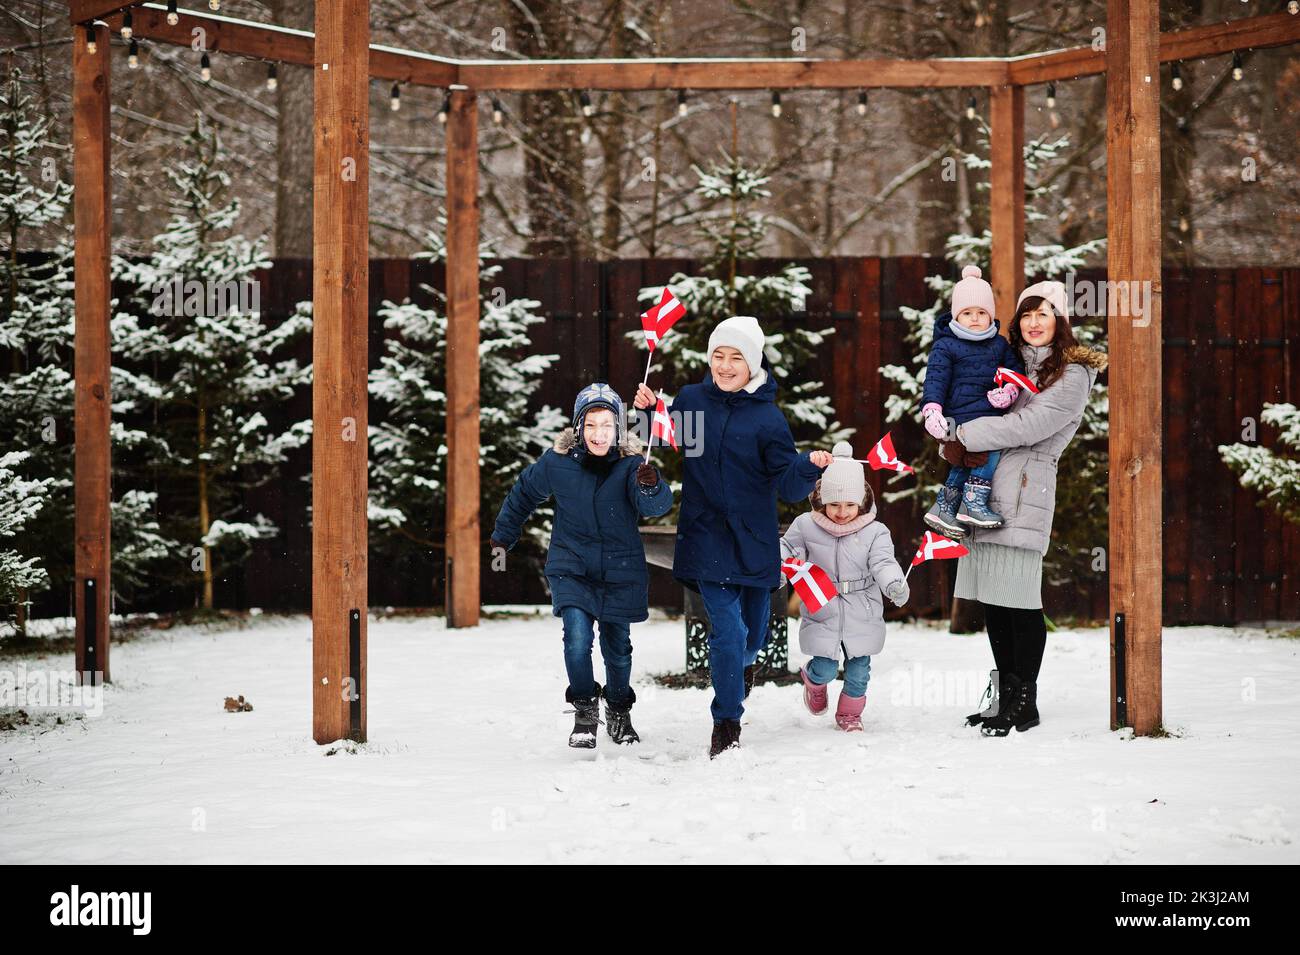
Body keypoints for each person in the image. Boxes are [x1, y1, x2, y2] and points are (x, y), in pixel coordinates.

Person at [633, 315, 832, 758]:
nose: (724, 366)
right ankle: (726, 721)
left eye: (735, 357)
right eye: (717, 356)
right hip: (706, 535)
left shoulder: (767, 419)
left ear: (752, 364)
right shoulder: (693, 401)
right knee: (727, 629)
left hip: (754, 540)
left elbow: (787, 485)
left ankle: (742, 666)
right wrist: (648, 413)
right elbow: (673, 442)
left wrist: (807, 466)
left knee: (754, 634)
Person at [941, 281, 1108, 736]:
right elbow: (966, 399)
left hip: (1026, 488)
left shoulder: (1071, 373)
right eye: (1027, 314)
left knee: (1021, 601)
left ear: (1061, 321)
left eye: (1045, 314)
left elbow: (1032, 424)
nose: (1034, 323)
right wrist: (950, 428)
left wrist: (966, 437)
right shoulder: (1005, 361)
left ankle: (1025, 701)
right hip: (985, 486)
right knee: (995, 600)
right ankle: (1002, 697)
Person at [491, 382, 673, 748]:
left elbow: (656, 507)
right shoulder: (557, 464)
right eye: (590, 425)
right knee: (576, 639)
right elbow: (523, 493)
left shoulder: (632, 464)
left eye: (607, 425)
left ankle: (619, 711)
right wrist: (501, 538)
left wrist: (651, 485)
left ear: (618, 428)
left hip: (621, 570)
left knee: (617, 648)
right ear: (578, 428)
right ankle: (585, 708)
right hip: (572, 565)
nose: (598, 433)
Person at [780, 442, 909, 731]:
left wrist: (893, 583)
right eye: (834, 504)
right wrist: (779, 566)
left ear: (861, 502)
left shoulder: (875, 531)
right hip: (822, 603)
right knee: (825, 666)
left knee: (859, 671)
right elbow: (787, 548)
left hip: (861, 606)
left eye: (849, 505)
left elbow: (883, 562)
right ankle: (814, 681)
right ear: (821, 500)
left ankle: (850, 715)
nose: (841, 512)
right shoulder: (806, 525)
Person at [920, 265, 1026, 538]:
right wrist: (932, 411)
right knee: (980, 456)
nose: (975, 319)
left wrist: (1009, 392)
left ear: (990, 314)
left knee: (969, 461)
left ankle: (945, 507)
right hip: (956, 417)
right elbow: (936, 379)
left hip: (988, 413)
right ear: (957, 315)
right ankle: (973, 503)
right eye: (967, 313)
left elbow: (1015, 373)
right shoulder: (946, 345)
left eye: (982, 313)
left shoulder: (998, 345)